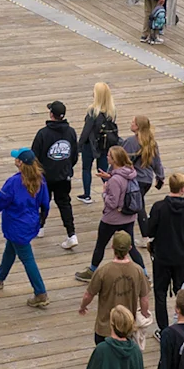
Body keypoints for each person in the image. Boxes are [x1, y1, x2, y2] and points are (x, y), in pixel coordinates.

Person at [0, 149, 50, 306]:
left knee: (27, 258)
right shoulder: (41, 180)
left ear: (20, 163)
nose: (15, 159)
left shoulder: (13, 183)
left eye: (17, 158)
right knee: (11, 247)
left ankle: (40, 293)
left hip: (16, 226)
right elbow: (45, 204)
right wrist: (41, 221)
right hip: (30, 224)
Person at [144, 177, 184, 331]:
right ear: (183, 189)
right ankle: (182, 325)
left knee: (160, 293)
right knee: (182, 292)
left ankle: (163, 330)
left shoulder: (158, 207)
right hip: (182, 258)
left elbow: (149, 231)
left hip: (161, 258)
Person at [78, 147, 144, 280]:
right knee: (131, 247)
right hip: (129, 217)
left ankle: (92, 271)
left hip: (113, 218)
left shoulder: (114, 180)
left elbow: (112, 203)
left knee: (100, 245)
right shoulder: (130, 172)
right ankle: (144, 274)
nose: (106, 157)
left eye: (109, 156)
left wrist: (104, 192)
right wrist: (109, 176)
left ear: (115, 160)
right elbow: (123, 183)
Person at [78, 230, 151, 346]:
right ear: (130, 248)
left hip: (105, 329)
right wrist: (144, 313)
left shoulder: (103, 271)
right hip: (127, 327)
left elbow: (88, 294)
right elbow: (144, 298)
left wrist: (83, 306)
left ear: (112, 247)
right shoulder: (138, 271)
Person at [32, 99, 80, 248]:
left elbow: (34, 156)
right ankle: (71, 234)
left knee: (42, 202)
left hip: (45, 177)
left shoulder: (43, 134)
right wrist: (66, 168)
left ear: (51, 114)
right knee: (65, 203)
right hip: (64, 177)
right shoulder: (71, 132)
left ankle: (39, 227)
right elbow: (73, 156)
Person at [79, 82, 121, 203]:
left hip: (90, 145)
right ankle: (112, 190)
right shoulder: (111, 111)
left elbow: (86, 131)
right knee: (102, 169)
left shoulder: (93, 111)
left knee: (86, 169)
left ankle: (87, 195)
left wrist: (79, 145)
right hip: (105, 144)